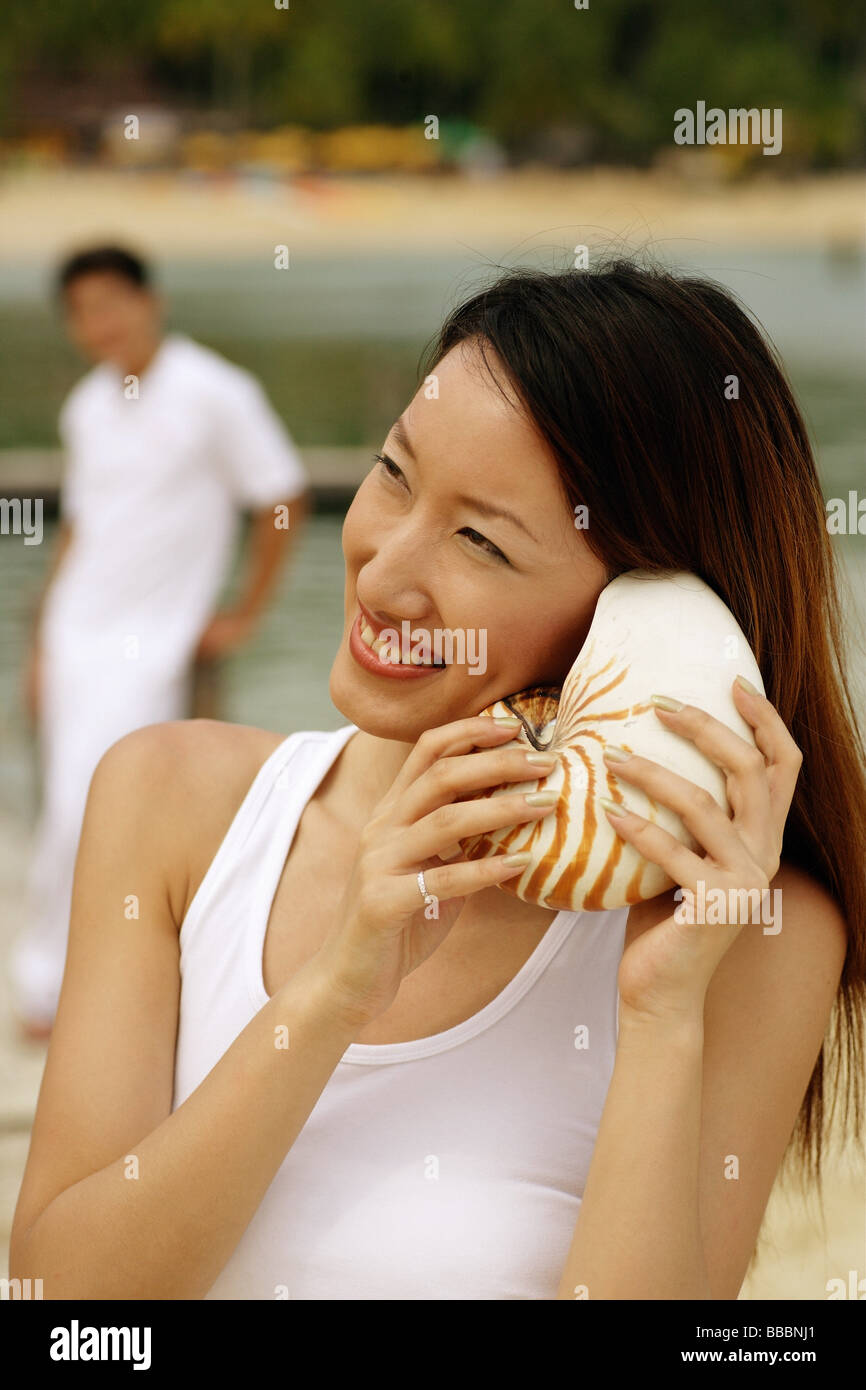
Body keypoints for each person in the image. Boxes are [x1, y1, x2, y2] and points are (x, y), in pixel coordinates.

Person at [9, 261, 866, 1300]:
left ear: (652, 608)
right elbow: (68, 1304)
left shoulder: (747, 929)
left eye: (479, 541)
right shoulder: (170, 800)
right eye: (394, 473)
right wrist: (335, 990)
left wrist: (656, 1013)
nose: (376, 571)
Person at [12, 245, 310, 1039]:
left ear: (152, 300)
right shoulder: (87, 405)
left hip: (155, 638)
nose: (100, 323)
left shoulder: (214, 391)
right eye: (82, 311)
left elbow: (281, 496)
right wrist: (41, 642)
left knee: (96, 803)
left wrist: (246, 612)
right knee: (64, 804)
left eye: (112, 302)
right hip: (78, 631)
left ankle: (72, 986)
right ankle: (52, 985)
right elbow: (80, 527)